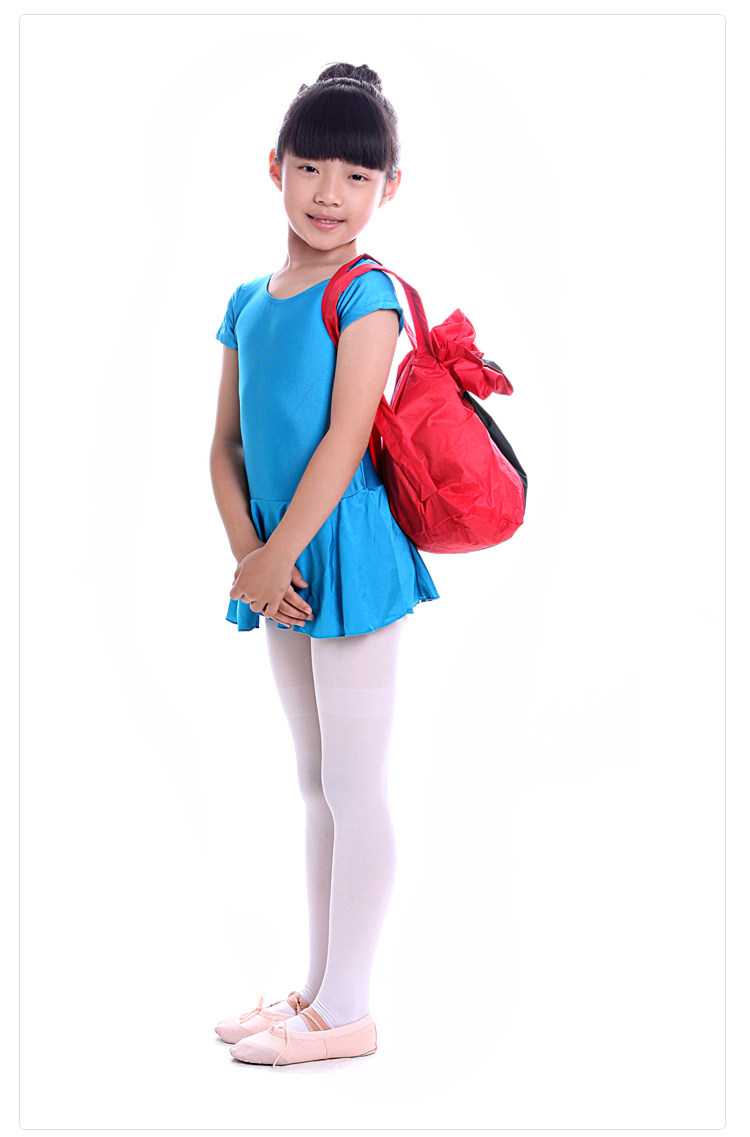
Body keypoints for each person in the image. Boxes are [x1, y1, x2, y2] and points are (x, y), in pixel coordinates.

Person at [209, 62, 439, 1067]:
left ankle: (349, 1010)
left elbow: (346, 440)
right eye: (311, 168)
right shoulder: (245, 300)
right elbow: (223, 446)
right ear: (276, 168)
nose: (330, 194)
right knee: (316, 783)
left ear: (390, 186)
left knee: (354, 781)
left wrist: (278, 556)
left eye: (357, 175)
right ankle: (315, 990)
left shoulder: (366, 292)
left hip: (347, 558)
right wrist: (250, 558)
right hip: (281, 565)